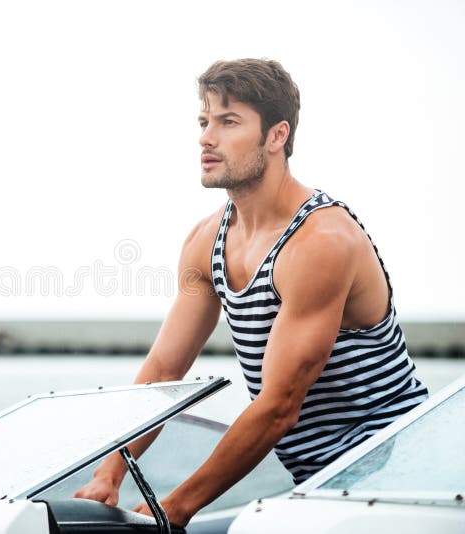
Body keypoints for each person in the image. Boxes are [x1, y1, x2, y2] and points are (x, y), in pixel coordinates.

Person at [73, 58, 429, 527]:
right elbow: (162, 372)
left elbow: (279, 407)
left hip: (407, 479)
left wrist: (175, 508)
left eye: (228, 122)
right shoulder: (206, 241)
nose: (206, 137)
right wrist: (110, 472)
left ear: (276, 136)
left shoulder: (320, 241)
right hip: (321, 485)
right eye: (204, 122)